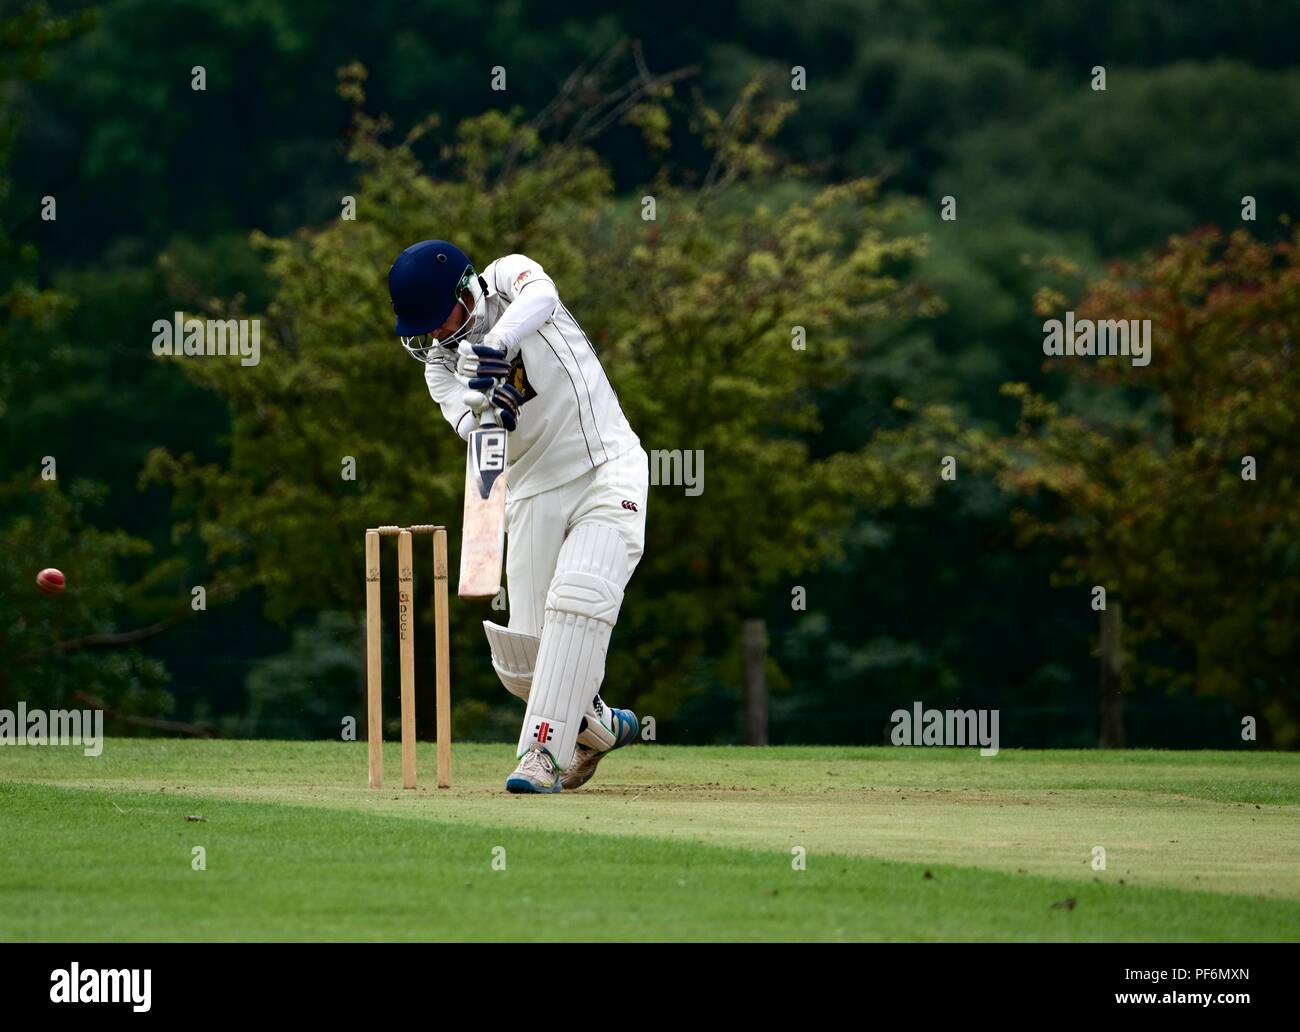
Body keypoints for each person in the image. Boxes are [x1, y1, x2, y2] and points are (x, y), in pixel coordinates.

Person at [387, 239, 647, 792]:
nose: (435, 335)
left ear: (465, 290)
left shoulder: (508, 279)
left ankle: (540, 757)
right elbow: (476, 442)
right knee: (523, 666)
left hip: (606, 466)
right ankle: (599, 726)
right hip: (531, 494)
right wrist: (489, 413)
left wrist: (498, 347)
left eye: (439, 319)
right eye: (424, 327)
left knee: (578, 599)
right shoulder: (440, 370)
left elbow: (545, 297)